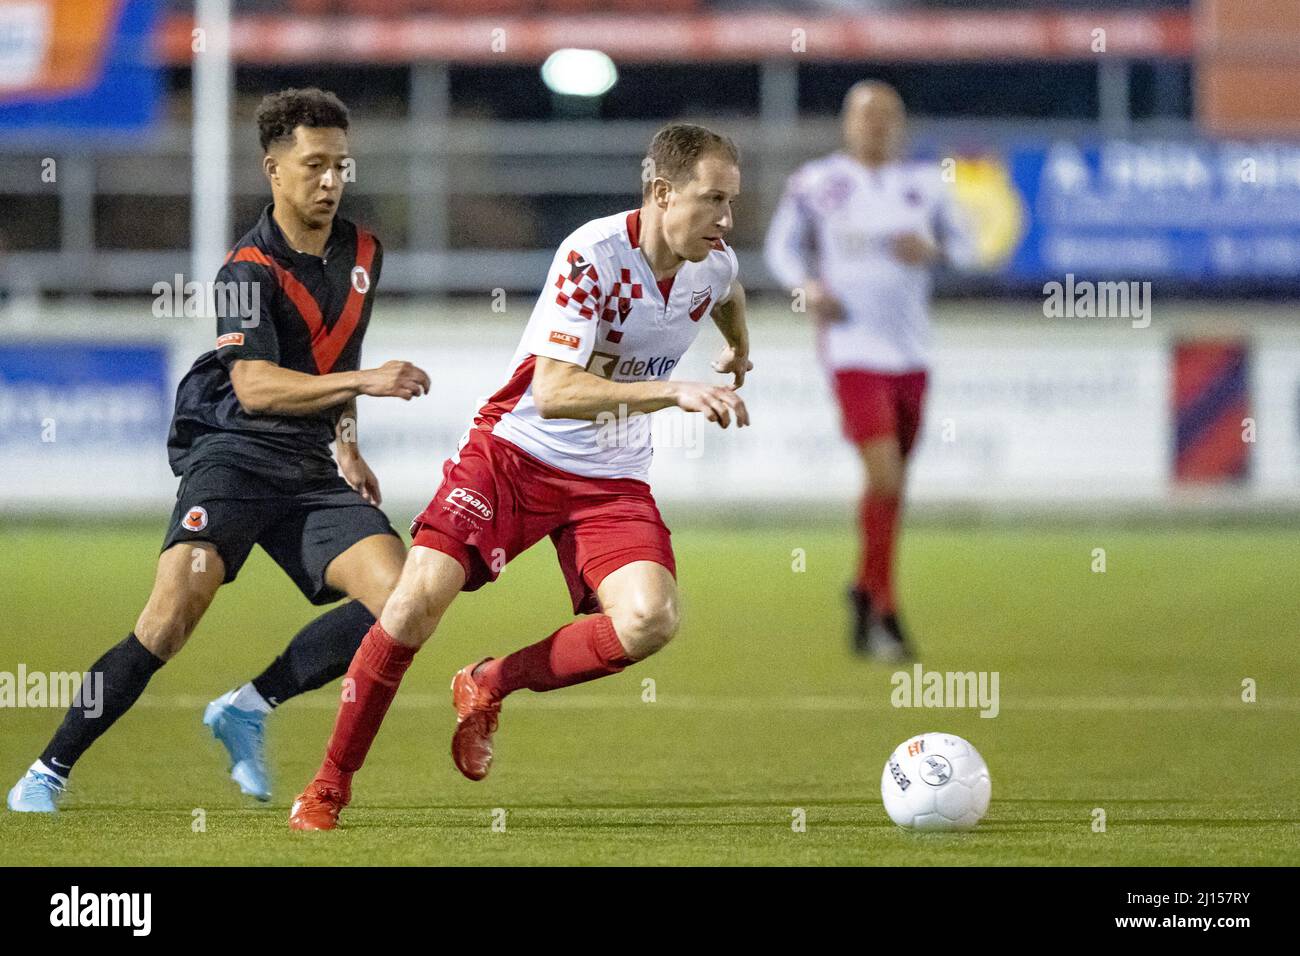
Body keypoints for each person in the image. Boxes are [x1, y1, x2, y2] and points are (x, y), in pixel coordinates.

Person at [288, 122, 752, 831]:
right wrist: (674, 390)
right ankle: (328, 785)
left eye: (732, 202)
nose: (726, 220)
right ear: (661, 192)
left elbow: (727, 293)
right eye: (712, 200)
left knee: (650, 619)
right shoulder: (592, 255)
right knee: (412, 605)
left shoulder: (712, 260)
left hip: (611, 479)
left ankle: (489, 683)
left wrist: (739, 353)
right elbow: (556, 391)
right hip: (516, 457)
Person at [6, 87, 430, 812]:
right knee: (171, 618)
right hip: (233, 458)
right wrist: (370, 381)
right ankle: (48, 769)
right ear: (273, 169)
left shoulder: (364, 252)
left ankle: (248, 707)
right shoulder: (244, 273)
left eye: (341, 167)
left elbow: (335, 360)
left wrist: (349, 445)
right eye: (314, 166)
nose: (331, 182)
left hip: (307, 469)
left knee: (407, 602)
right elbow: (257, 387)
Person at [764, 81, 976, 660]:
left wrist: (933, 249)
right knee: (884, 477)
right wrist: (807, 288)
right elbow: (782, 249)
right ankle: (885, 608)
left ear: (901, 124)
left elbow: (975, 247)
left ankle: (862, 588)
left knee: (893, 486)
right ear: (847, 123)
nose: (876, 125)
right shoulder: (817, 183)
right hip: (852, 347)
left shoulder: (926, 184)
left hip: (912, 353)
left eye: (887, 116)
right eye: (866, 115)